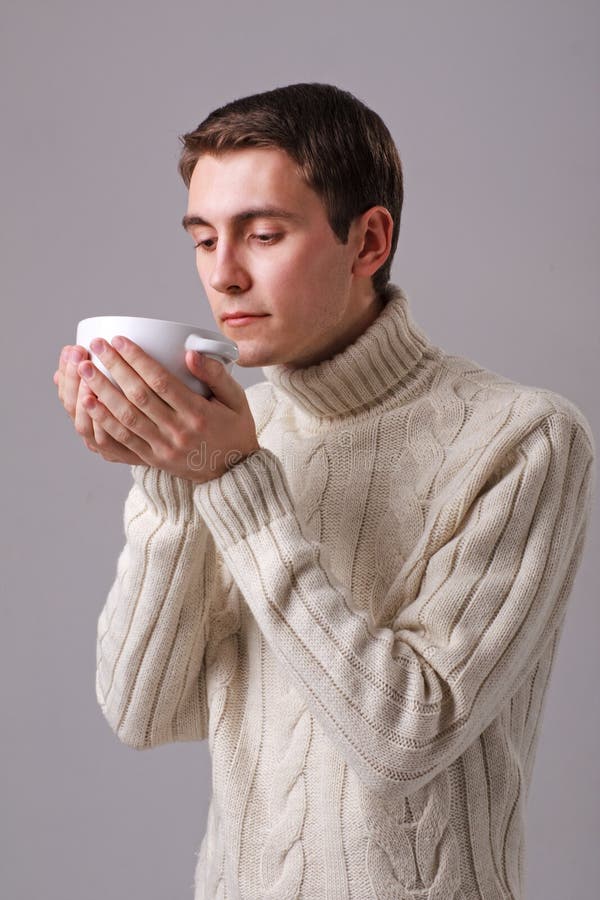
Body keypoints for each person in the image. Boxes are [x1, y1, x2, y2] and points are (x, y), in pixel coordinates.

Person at [54, 83, 596, 899]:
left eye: (263, 234)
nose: (225, 276)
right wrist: (171, 486)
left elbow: (405, 737)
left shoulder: (524, 437)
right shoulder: (231, 430)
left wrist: (234, 482)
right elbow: (143, 713)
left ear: (369, 240)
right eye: (203, 241)